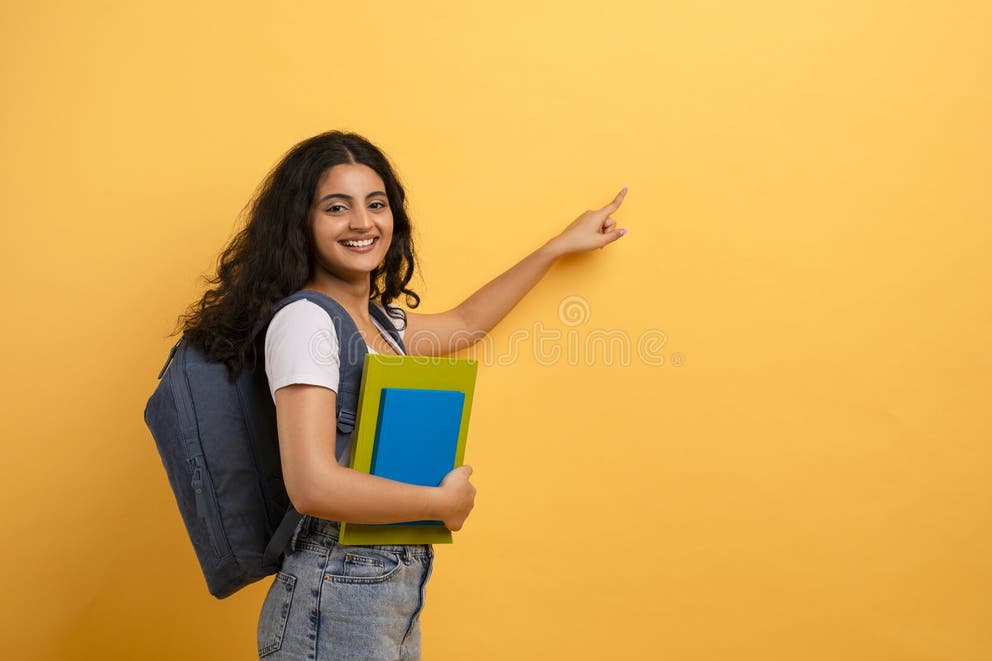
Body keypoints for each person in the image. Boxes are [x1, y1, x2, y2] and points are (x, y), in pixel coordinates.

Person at [175, 130, 627, 659]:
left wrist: (556, 247)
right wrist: (440, 504)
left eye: (376, 204)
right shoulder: (306, 323)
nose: (363, 223)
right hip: (336, 586)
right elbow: (311, 485)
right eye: (336, 208)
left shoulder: (376, 323)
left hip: (381, 585)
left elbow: (463, 323)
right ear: (301, 224)